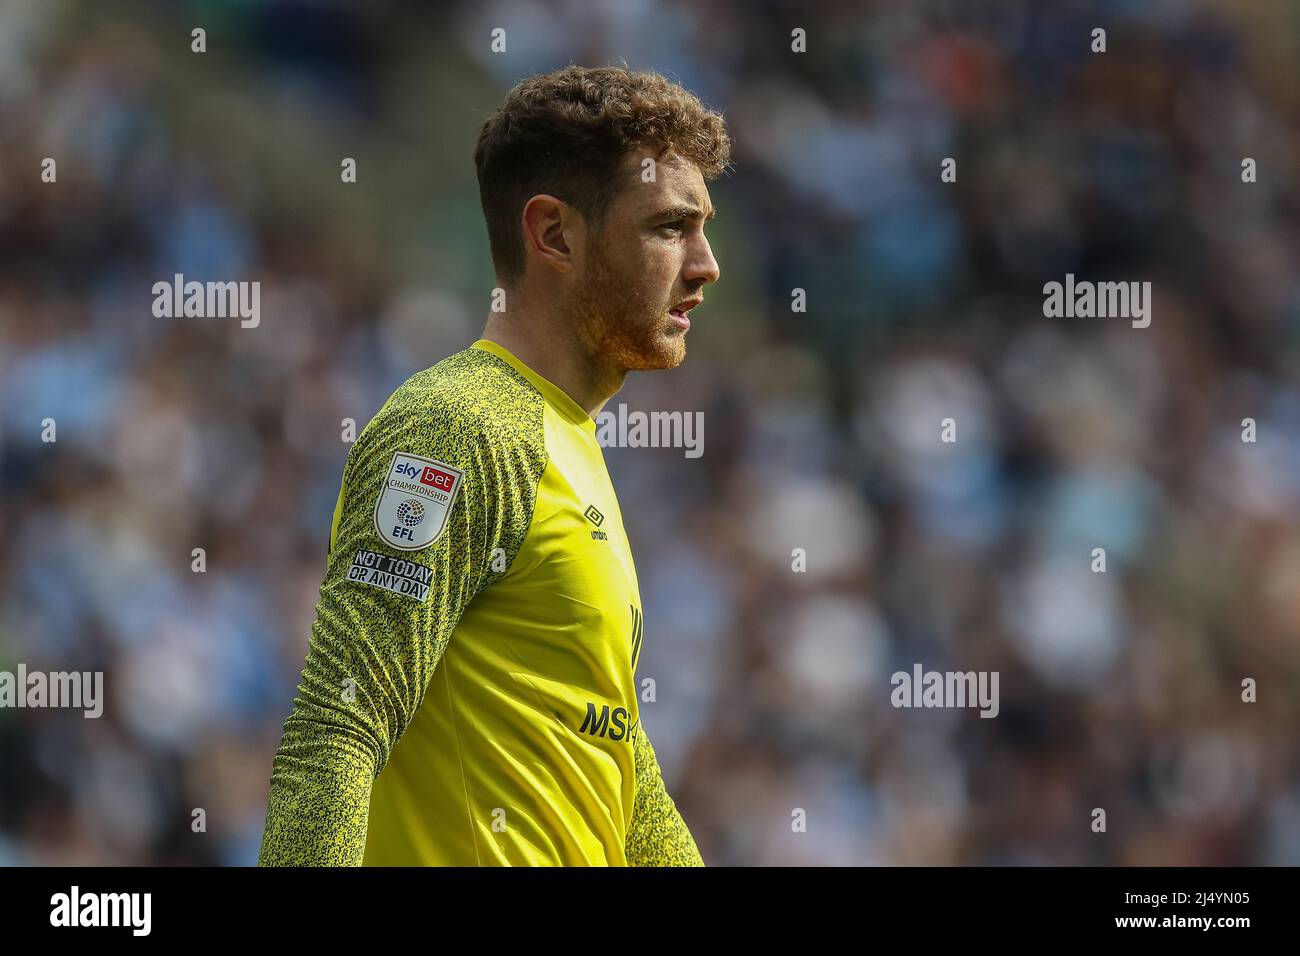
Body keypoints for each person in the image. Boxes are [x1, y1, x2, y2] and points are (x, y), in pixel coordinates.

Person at [258, 65, 728, 865]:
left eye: (702, 227)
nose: (705, 263)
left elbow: (614, 752)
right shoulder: (457, 428)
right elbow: (338, 726)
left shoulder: (564, 437)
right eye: (667, 228)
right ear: (553, 234)